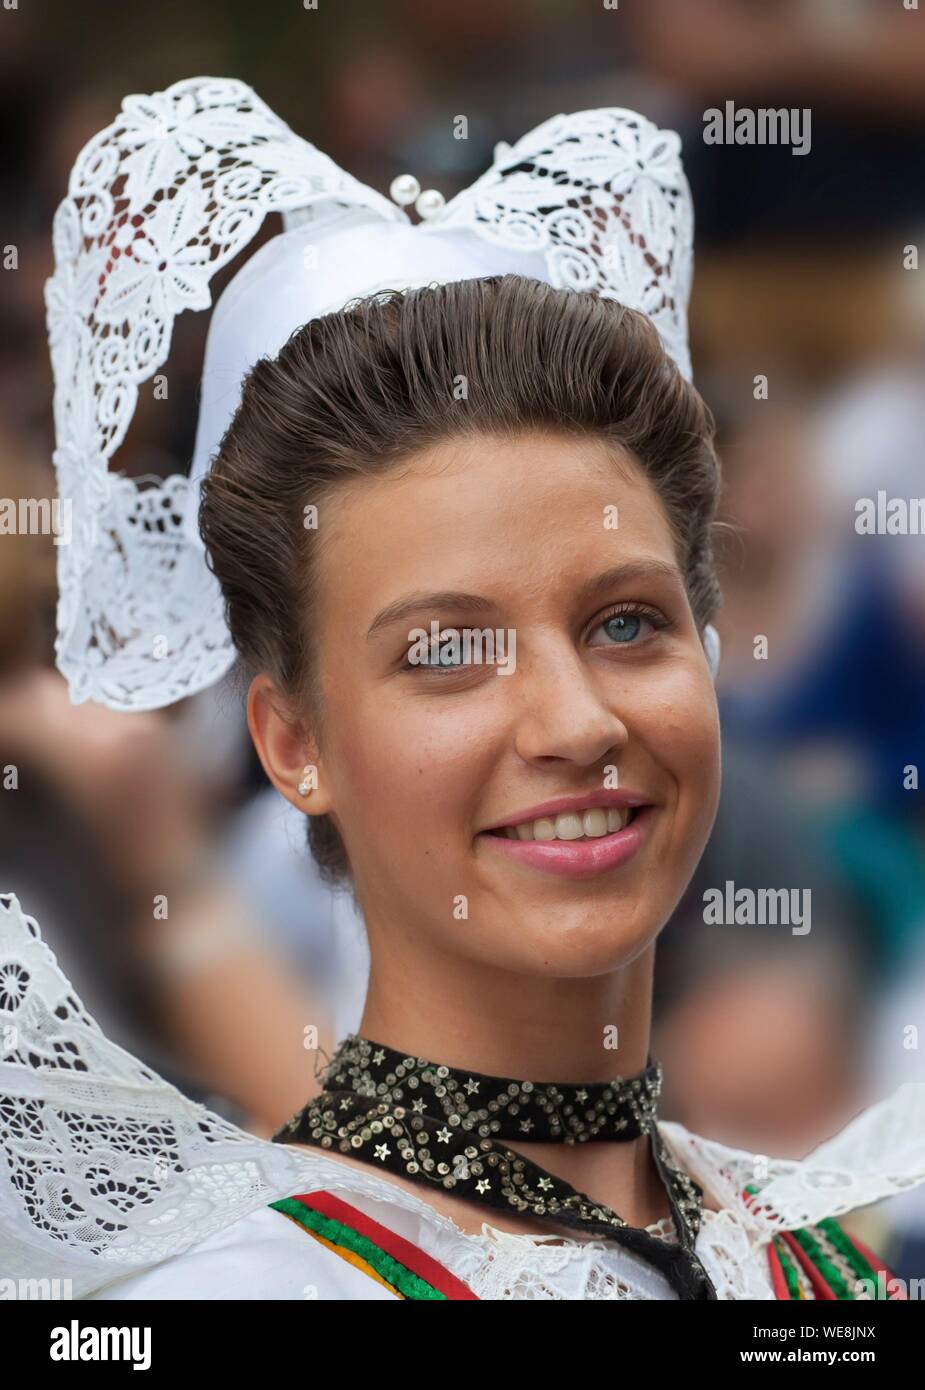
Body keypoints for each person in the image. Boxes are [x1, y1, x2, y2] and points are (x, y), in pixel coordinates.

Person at [2, 77, 923, 1302]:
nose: (578, 720)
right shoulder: (235, 1294)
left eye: (627, 622)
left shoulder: (814, 1273)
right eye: (445, 651)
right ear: (291, 741)